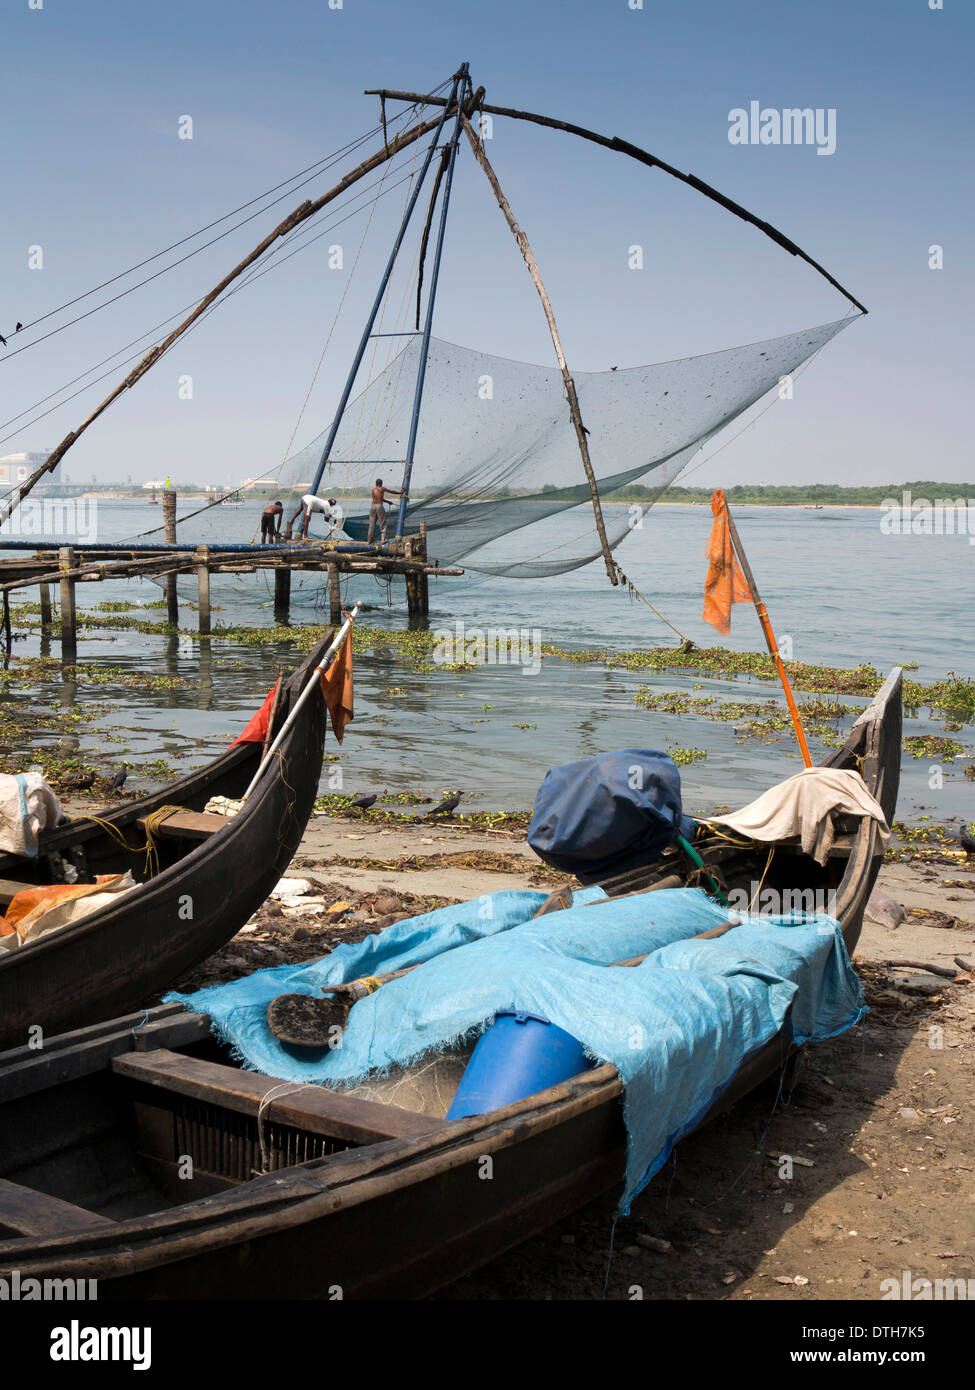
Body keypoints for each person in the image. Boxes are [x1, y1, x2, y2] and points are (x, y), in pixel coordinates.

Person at [367, 477, 402, 545]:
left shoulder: (373, 490)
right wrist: (400, 492)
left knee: (371, 525)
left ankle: (369, 540)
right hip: (379, 506)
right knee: (383, 524)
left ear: (376, 484)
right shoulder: (382, 488)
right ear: (381, 484)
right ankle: (384, 540)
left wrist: (388, 501)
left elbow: (379, 498)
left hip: (372, 506)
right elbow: (392, 491)